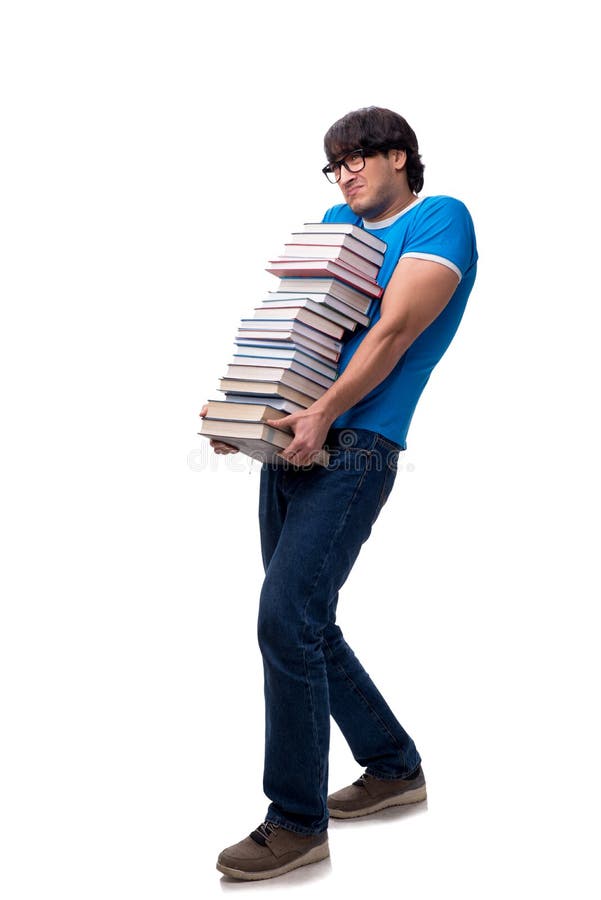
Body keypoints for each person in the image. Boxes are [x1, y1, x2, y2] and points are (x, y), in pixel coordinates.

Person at [201, 106, 478, 881]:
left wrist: (324, 413)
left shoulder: (439, 220)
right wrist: (252, 415)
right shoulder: (333, 222)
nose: (345, 174)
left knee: (283, 619)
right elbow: (302, 329)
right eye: (335, 163)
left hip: (354, 445)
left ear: (400, 157)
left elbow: (391, 333)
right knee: (306, 622)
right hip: (295, 438)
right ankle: (392, 767)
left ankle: (295, 822)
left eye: (359, 158)